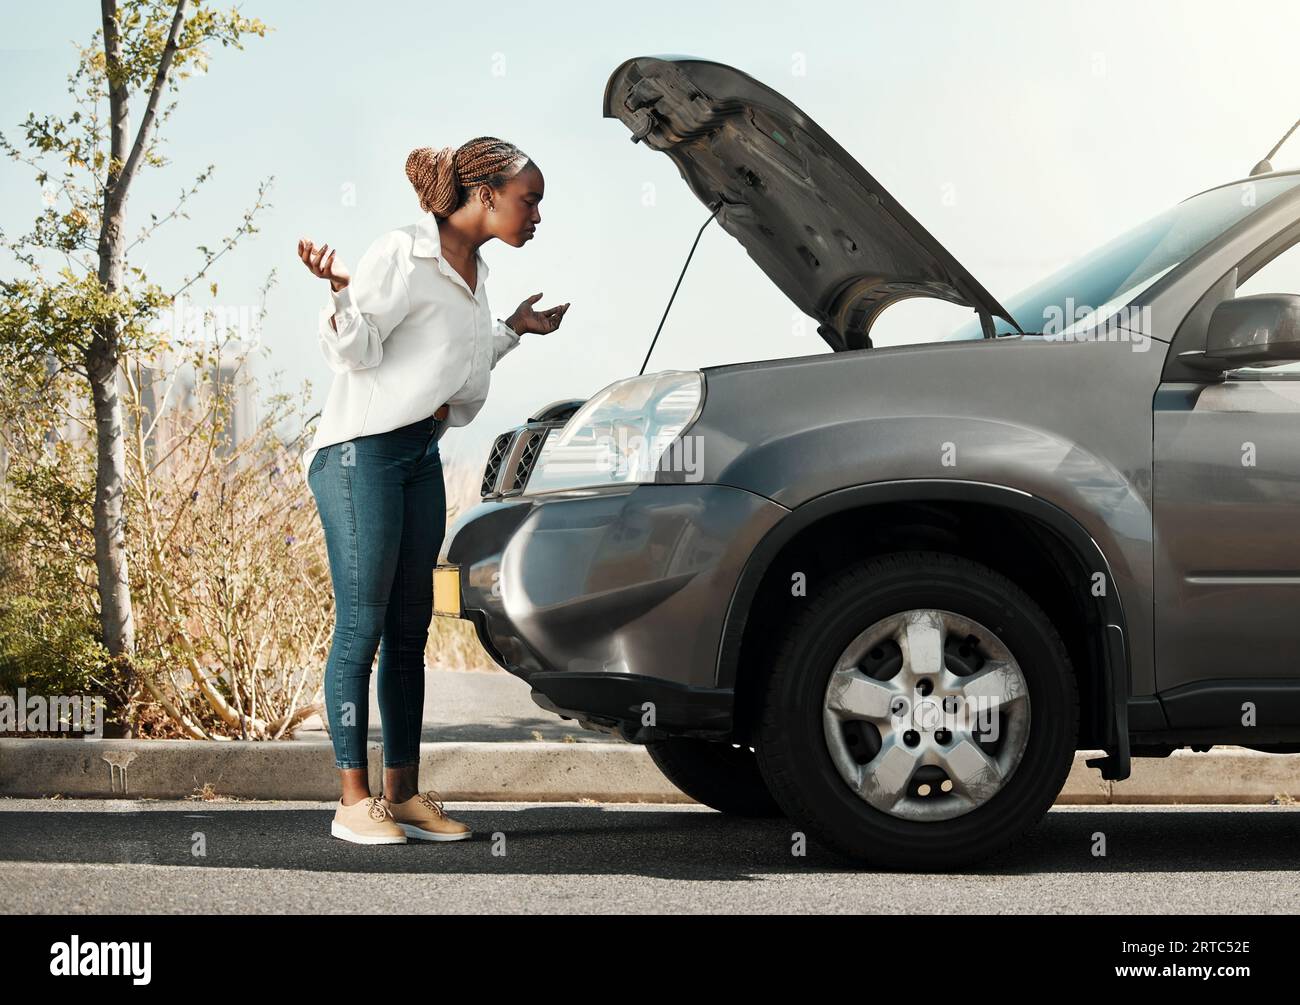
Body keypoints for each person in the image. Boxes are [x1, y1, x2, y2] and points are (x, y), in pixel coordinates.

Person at [296, 136, 570, 845]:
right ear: (486, 195)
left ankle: (404, 794)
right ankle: (352, 799)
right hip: (360, 453)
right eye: (529, 198)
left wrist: (513, 328)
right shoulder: (402, 252)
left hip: (418, 454)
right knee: (362, 624)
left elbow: (458, 362)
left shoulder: (473, 271)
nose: (537, 213)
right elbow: (360, 352)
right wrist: (339, 291)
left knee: (409, 630)